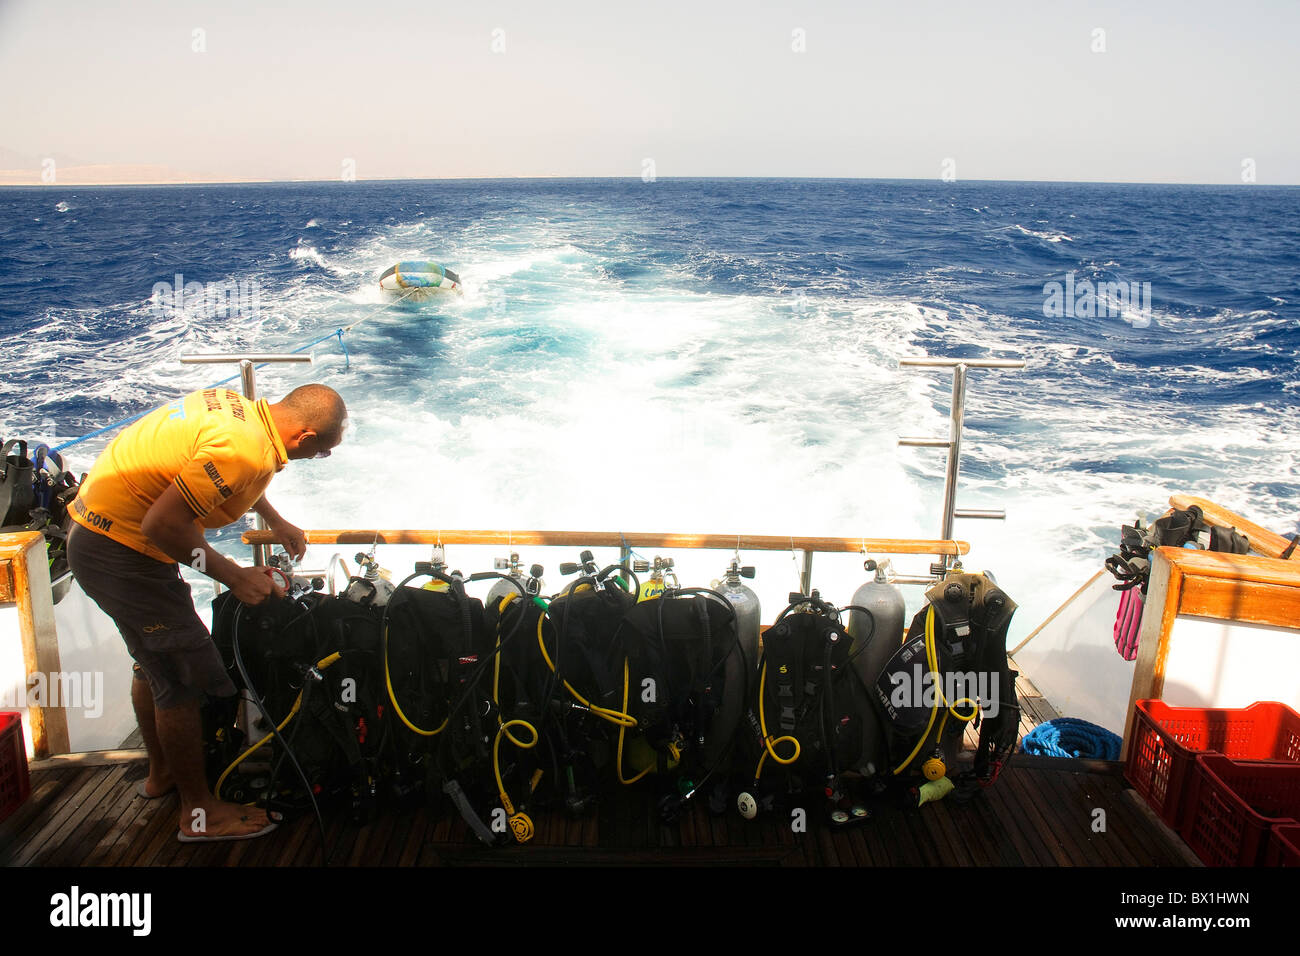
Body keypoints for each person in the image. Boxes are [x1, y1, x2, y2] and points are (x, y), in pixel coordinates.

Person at [66, 383, 347, 842]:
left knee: (154, 664)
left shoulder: (244, 414)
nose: (321, 458)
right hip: (121, 550)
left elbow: (218, 474)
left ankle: (163, 776)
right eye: (322, 453)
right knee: (181, 678)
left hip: (103, 536)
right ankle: (198, 815)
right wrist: (235, 577)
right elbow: (163, 524)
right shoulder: (244, 451)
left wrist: (275, 520)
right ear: (307, 438)